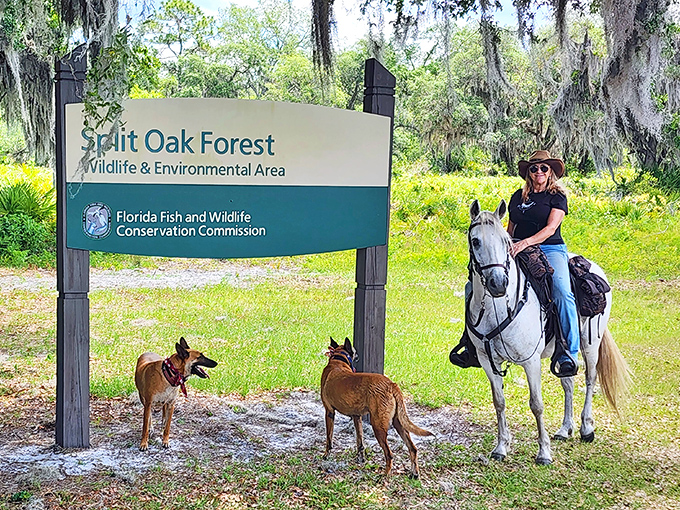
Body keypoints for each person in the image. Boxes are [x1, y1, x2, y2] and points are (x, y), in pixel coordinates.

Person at [450, 150, 579, 377]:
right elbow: (509, 228)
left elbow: (550, 229)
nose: (539, 172)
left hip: (550, 248)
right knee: (473, 286)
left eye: (543, 168)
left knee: (561, 290)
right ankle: (470, 342)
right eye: (534, 168)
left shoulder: (557, 197)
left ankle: (568, 351)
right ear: (528, 173)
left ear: (550, 172)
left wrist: (525, 243)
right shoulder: (518, 197)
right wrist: (506, 245)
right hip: (516, 246)